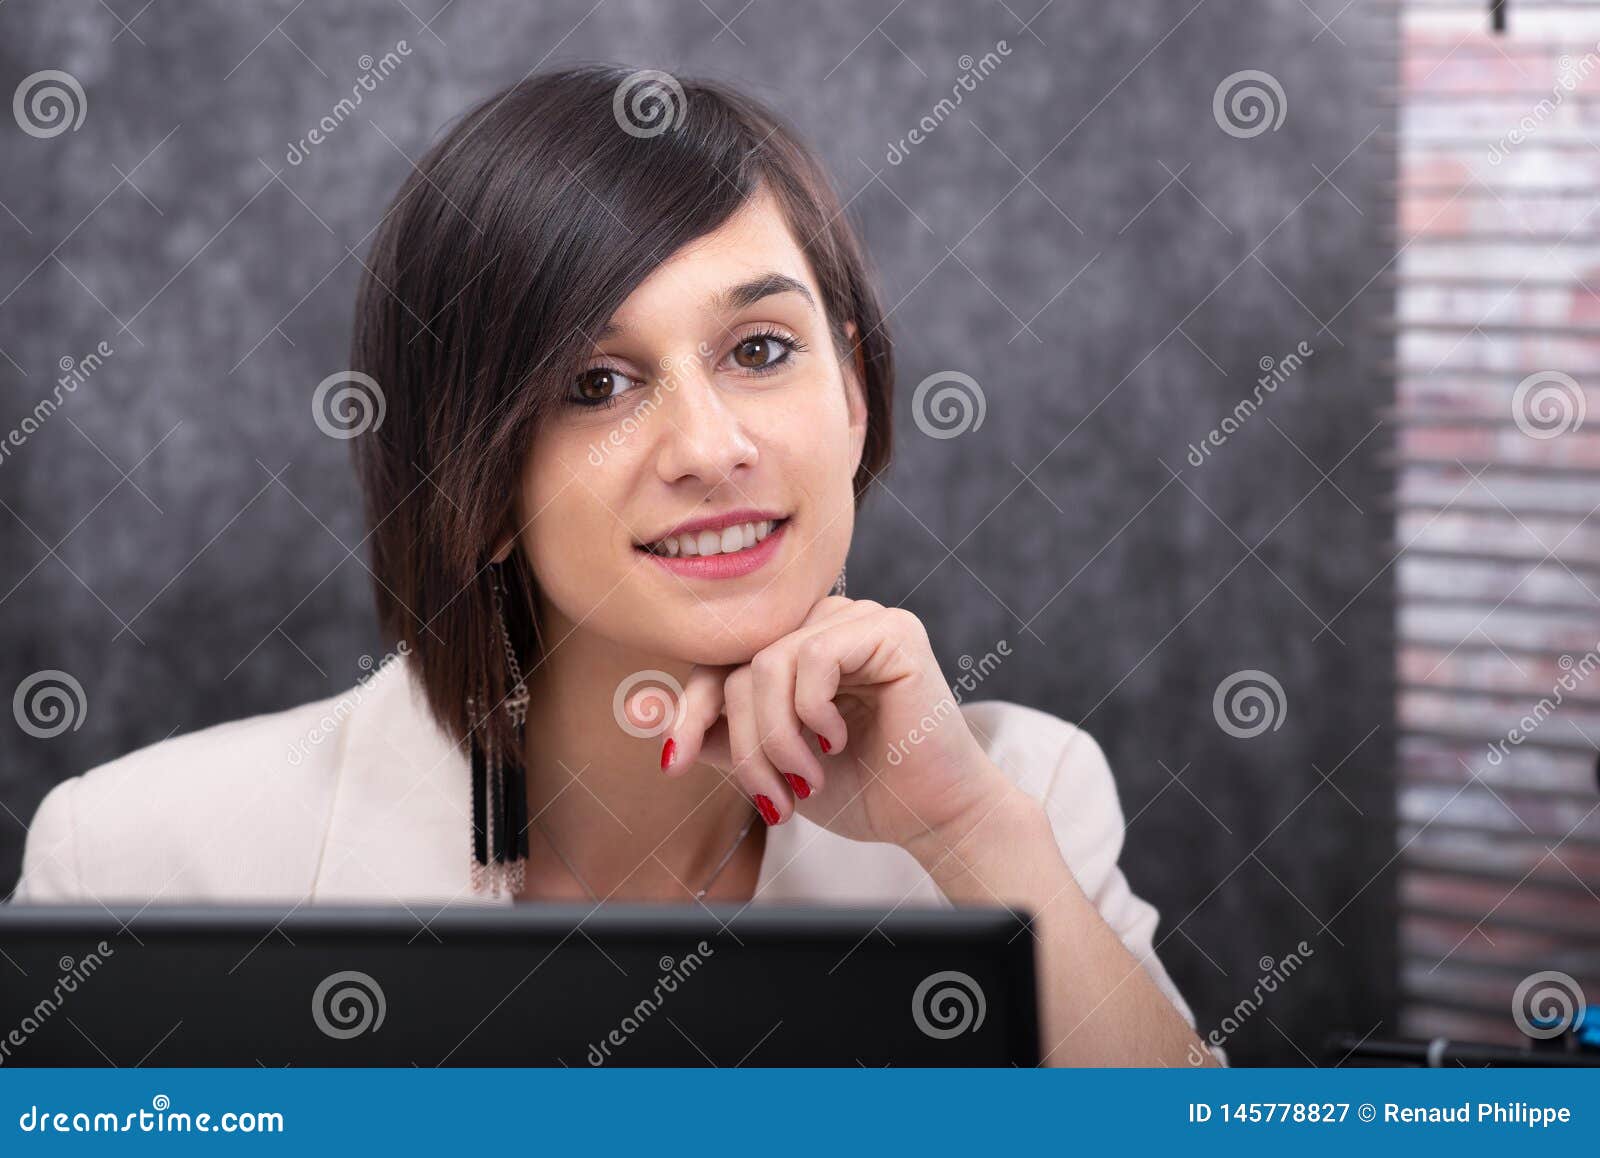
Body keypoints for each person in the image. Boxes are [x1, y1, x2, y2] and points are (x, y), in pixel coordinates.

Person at [12, 64, 1218, 1067]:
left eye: (759, 348)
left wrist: (966, 836)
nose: (710, 447)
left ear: (852, 391)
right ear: (469, 482)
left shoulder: (1022, 799)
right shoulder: (142, 863)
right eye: (597, 384)